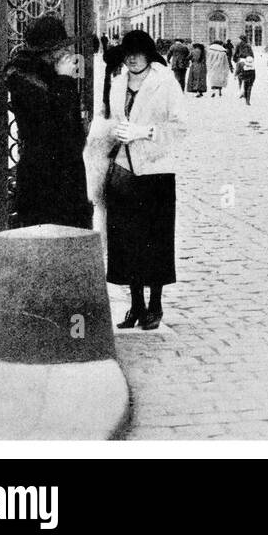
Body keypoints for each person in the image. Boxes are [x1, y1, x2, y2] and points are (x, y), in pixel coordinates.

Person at [105, 29, 185, 331]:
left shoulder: (164, 82)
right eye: (128, 53)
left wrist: (145, 132)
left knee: (155, 239)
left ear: (149, 53)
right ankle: (135, 304)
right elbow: (112, 119)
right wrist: (115, 131)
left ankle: (155, 304)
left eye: (138, 52)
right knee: (126, 241)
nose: (132, 57)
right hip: (123, 170)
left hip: (155, 171)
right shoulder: (117, 83)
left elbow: (179, 127)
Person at [3, 14, 93, 230]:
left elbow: (74, 133)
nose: (66, 53)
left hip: (68, 175)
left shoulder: (53, 76)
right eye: (59, 48)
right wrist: (64, 81)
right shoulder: (23, 76)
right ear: (45, 52)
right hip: (43, 177)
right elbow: (51, 127)